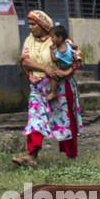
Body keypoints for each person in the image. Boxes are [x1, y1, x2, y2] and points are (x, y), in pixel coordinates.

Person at [13, 11, 82, 167]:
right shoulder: (29, 41)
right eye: (29, 24)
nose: (30, 28)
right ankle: (31, 155)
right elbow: (25, 62)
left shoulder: (57, 37)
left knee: (65, 120)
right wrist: (44, 68)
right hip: (38, 86)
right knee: (35, 119)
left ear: (43, 25)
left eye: (33, 24)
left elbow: (76, 57)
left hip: (61, 87)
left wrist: (66, 72)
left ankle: (71, 155)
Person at [44, 23, 74, 102]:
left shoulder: (60, 51)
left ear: (60, 38)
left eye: (53, 37)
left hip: (63, 68)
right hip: (69, 65)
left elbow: (54, 59)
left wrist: (51, 51)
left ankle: (54, 92)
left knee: (53, 74)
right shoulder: (68, 44)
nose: (51, 39)